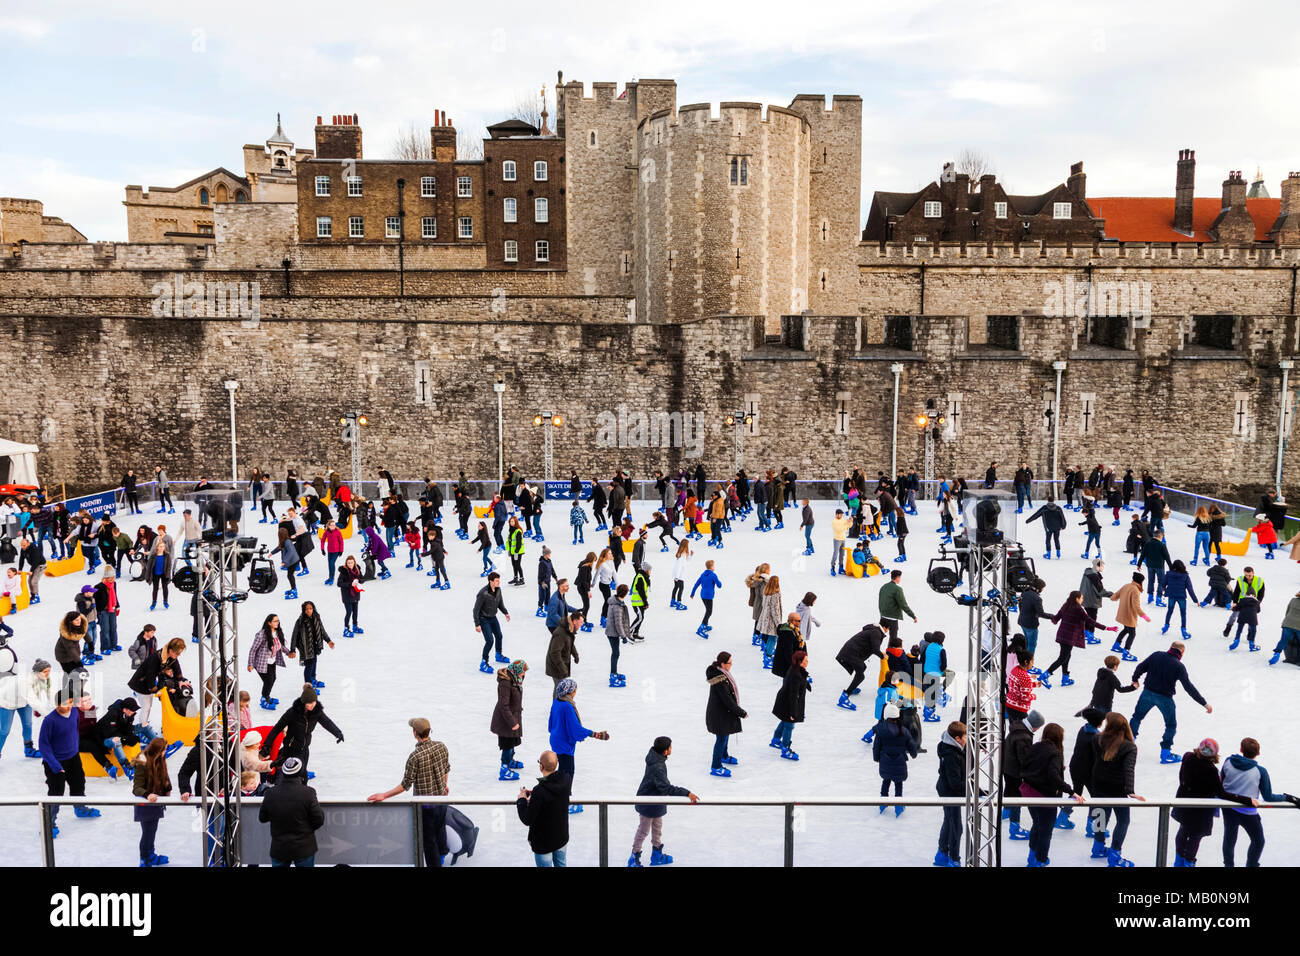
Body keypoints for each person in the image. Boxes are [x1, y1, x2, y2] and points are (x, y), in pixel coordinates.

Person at [367, 717, 452, 867]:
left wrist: (384, 795)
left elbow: (405, 785)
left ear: (415, 733)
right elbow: (446, 768)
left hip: (425, 806)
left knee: (428, 840)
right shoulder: (441, 746)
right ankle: (443, 853)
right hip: (442, 800)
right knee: (440, 828)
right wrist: (444, 785)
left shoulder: (415, 757)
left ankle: (436, 863)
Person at [1172, 739, 1256, 867]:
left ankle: (1178, 862)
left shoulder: (1188, 757)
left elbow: (1182, 778)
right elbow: (1222, 793)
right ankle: (1187, 863)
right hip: (1200, 810)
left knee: (1183, 831)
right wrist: (1247, 800)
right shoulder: (1210, 770)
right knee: (1195, 837)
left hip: (1184, 804)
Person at [1129, 641, 1212, 764]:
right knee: (1171, 725)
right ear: (1182, 652)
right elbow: (1188, 687)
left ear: (1170, 648)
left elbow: (1140, 667)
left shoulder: (1156, 655)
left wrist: (1135, 679)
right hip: (1165, 699)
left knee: (1137, 717)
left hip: (1147, 693)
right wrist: (1204, 703)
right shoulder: (1179, 666)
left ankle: (1128, 743)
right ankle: (1166, 753)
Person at [1221, 737, 1298, 867]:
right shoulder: (1260, 771)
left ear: (1241, 749)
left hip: (1228, 808)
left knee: (1230, 838)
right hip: (1247, 812)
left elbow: (1221, 783)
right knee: (1258, 841)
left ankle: (1228, 865)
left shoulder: (1228, 762)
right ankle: (1251, 864)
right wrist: (1287, 797)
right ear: (1258, 753)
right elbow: (1268, 797)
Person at [628, 736, 699, 867]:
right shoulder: (657, 766)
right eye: (670, 747)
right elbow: (666, 788)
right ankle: (634, 856)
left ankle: (656, 855)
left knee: (657, 828)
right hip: (648, 802)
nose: (672, 749)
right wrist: (687, 793)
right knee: (643, 830)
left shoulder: (655, 758)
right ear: (665, 751)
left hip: (656, 801)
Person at [1020, 721, 1083, 866]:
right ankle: (1040, 860)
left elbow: (1029, 765)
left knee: (1036, 824)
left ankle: (1032, 856)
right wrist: (1072, 792)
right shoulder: (1054, 753)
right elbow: (1053, 777)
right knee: (1046, 830)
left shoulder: (1036, 746)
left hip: (1028, 792)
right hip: (1044, 797)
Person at [1087, 712, 1144, 867]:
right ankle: (1115, 854)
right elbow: (1128, 769)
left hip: (1098, 785)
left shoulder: (1096, 739)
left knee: (1100, 816)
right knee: (1123, 820)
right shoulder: (1129, 746)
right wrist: (1130, 790)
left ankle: (1098, 847)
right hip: (1118, 789)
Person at [39, 689, 98, 835]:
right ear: (57, 704)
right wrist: (55, 765)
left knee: (79, 784)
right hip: (56, 763)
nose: (69, 705)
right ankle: (49, 824)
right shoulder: (49, 721)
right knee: (56, 793)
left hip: (73, 758)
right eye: (65, 703)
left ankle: (80, 808)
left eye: (71, 702)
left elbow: (75, 731)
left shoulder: (74, 713)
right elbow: (43, 746)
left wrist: (75, 750)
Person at [548, 678, 610, 815]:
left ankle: (560, 795)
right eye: (575, 689)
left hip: (556, 740)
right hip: (564, 744)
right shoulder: (567, 706)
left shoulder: (557, 701)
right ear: (570, 691)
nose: (576, 691)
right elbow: (576, 729)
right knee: (568, 772)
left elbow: (551, 723)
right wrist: (595, 734)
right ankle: (566, 802)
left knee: (563, 770)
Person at [262, 683, 343, 777]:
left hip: (304, 748)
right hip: (291, 748)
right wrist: (267, 745)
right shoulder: (292, 712)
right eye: (309, 703)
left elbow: (327, 722)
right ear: (304, 703)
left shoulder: (317, 712)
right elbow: (277, 728)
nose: (312, 705)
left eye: (314, 702)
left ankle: (302, 775)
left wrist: (338, 733)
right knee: (293, 775)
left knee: (302, 774)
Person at [259, 756, 324, 867]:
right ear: (301, 772)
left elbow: (263, 818)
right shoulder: (308, 793)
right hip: (304, 847)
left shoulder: (271, 793)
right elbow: (319, 820)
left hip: (279, 847)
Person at [516, 750, 573, 867]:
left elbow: (527, 819)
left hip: (544, 843)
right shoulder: (566, 779)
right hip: (561, 837)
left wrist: (522, 800)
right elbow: (553, 795)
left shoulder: (540, 791)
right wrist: (534, 796)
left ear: (541, 766)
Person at [872, 701, 920, 816]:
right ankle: (898, 805)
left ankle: (883, 802)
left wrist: (876, 757)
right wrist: (914, 754)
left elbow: (876, 746)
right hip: (899, 762)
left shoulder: (880, 730)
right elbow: (911, 744)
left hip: (885, 761)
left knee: (886, 781)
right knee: (898, 784)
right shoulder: (903, 731)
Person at [132, 737, 172, 867]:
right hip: (146, 804)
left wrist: (167, 788)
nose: (164, 752)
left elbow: (164, 776)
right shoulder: (142, 761)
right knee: (148, 832)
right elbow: (136, 788)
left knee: (151, 831)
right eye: (163, 750)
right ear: (156, 750)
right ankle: (144, 859)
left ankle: (150, 855)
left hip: (156, 802)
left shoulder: (159, 758)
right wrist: (147, 794)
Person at [705, 652, 746, 777]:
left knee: (725, 735)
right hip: (719, 715)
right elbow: (727, 699)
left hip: (723, 713)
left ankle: (724, 755)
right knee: (721, 739)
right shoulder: (720, 680)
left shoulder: (722, 674)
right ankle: (716, 766)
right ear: (722, 664)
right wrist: (741, 712)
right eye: (729, 663)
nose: (731, 665)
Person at [934, 720, 967, 866]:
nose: (967, 739)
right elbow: (955, 783)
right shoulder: (951, 755)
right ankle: (954, 859)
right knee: (956, 827)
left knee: (949, 821)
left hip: (947, 788)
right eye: (965, 736)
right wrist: (971, 792)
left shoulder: (953, 747)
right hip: (950, 792)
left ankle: (941, 854)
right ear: (957, 739)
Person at [490, 660, 528, 781]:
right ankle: (504, 769)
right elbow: (503, 705)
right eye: (523, 672)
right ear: (516, 671)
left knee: (512, 742)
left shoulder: (515, 679)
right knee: (507, 744)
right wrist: (512, 722)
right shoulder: (505, 683)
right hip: (505, 719)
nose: (524, 675)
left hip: (513, 716)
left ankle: (510, 761)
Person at [771, 648, 810, 760]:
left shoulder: (796, 669)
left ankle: (776, 740)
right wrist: (793, 712)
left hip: (784, 700)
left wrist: (806, 684)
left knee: (784, 720)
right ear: (799, 661)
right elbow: (793, 696)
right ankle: (785, 749)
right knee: (789, 724)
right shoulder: (795, 676)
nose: (807, 662)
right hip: (787, 703)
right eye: (805, 661)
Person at [836, 622, 886, 706]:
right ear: (885, 627)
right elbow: (875, 649)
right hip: (851, 653)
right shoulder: (876, 632)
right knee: (860, 676)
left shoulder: (874, 630)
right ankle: (845, 697)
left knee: (862, 667)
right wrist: (882, 656)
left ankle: (852, 688)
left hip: (850, 651)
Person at [247, 613, 289, 711]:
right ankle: (263, 699)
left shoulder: (277, 632)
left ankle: (267, 697)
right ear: (269, 623)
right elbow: (253, 649)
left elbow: (280, 646)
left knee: (273, 679)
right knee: (268, 681)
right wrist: (250, 664)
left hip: (272, 661)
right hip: (261, 662)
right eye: (275, 621)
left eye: (278, 621)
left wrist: (288, 652)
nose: (277, 623)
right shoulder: (262, 634)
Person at [473, 572, 511, 674]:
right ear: (491, 581)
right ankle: (484, 663)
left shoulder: (498, 590)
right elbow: (476, 610)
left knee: (499, 636)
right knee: (489, 640)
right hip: (483, 619)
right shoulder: (483, 593)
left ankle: (498, 655)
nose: (499, 582)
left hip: (493, 617)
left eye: (499, 580)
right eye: (497, 581)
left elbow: (500, 603)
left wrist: (505, 613)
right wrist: (477, 624)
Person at [291, 601, 333, 691]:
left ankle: (313, 679)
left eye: (310, 608)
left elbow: (322, 630)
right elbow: (294, 635)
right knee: (309, 665)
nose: (309, 611)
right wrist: (292, 649)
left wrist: (328, 640)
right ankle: (308, 686)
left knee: (314, 662)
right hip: (305, 646)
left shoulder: (316, 617)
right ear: (303, 610)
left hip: (315, 645)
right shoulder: (300, 621)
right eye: (306, 609)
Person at [1109, 572, 1149, 661]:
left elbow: (1115, 596)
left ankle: (1116, 645)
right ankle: (1126, 652)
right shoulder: (1135, 590)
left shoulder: (1126, 586)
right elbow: (1136, 607)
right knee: (1132, 633)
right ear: (1140, 581)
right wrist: (1145, 617)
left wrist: (1111, 597)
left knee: (1126, 630)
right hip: (1129, 615)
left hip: (1122, 613)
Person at [1160, 559, 1198, 639]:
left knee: (1170, 611)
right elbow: (1190, 589)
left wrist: (1164, 589)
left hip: (1172, 596)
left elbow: (1163, 584)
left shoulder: (1169, 574)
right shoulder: (1185, 576)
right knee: (1183, 613)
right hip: (1181, 596)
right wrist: (1196, 600)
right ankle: (1183, 630)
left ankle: (1166, 626)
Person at [546, 611, 583, 691]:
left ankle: (558, 703)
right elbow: (555, 653)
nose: (581, 624)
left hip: (562, 664)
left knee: (560, 689)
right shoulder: (561, 633)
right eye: (580, 622)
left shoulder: (568, 630)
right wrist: (562, 668)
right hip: (556, 666)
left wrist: (575, 655)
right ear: (574, 621)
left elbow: (571, 644)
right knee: (560, 689)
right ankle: (556, 704)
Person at [878, 570, 917, 641]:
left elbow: (880, 601)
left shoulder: (884, 587)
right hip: (892, 618)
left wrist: (882, 613)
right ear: (898, 577)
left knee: (878, 636)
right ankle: (890, 651)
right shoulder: (897, 589)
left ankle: (875, 650)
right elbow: (903, 605)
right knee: (893, 638)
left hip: (883, 616)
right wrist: (913, 616)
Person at [605, 583, 631, 688]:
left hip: (612, 632)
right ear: (625, 593)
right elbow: (618, 623)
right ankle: (613, 675)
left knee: (616, 653)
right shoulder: (617, 606)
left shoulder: (617, 602)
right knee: (616, 653)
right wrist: (623, 636)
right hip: (613, 633)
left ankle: (614, 673)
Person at [756, 574, 784, 669]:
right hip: (772, 621)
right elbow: (775, 610)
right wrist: (778, 624)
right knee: (773, 638)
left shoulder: (766, 592)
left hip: (765, 618)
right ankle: (768, 657)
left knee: (768, 638)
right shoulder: (775, 594)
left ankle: (767, 655)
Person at [689, 559, 720, 638]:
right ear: (712, 567)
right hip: (709, 596)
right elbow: (719, 585)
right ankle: (701, 627)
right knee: (709, 611)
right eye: (714, 566)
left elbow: (696, 584)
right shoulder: (713, 575)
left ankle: (705, 625)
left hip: (702, 596)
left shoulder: (702, 574)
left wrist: (692, 593)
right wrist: (718, 582)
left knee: (707, 610)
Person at [1268, 589, 1300, 665]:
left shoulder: (1293, 600)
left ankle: (1277, 654)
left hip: (1288, 623)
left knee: (1283, 641)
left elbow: (1287, 611)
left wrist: (1287, 621)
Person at [1141, 530, 1172, 605]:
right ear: (1160, 536)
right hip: (1159, 566)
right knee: (1161, 581)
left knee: (1151, 581)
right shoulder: (1162, 545)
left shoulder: (1148, 543)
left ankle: (1150, 596)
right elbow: (1167, 557)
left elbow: (1143, 554)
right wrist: (1171, 567)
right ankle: (1158, 598)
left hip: (1150, 566)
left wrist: (1139, 564)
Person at [337, 554, 364, 638]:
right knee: (349, 612)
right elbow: (339, 583)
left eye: (351, 563)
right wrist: (350, 584)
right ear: (346, 563)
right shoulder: (343, 572)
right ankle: (346, 629)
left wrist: (358, 580)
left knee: (355, 612)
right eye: (348, 563)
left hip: (355, 595)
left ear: (354, 562)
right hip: (347, 596)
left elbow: (363, 579)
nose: (350, 564)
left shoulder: (357, 570)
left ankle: (355, 626)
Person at [629, 562, 651, 642]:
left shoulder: (643, 576)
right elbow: (641, 591)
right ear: (646, 570)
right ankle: (628, 632)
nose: (650, 571)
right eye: (649, 570)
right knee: (640, 618)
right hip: (637, 602)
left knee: (641, 618)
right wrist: (645, 603)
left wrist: (645, 602)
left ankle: (635, 633)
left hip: (640, 602)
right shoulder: (640, 577)